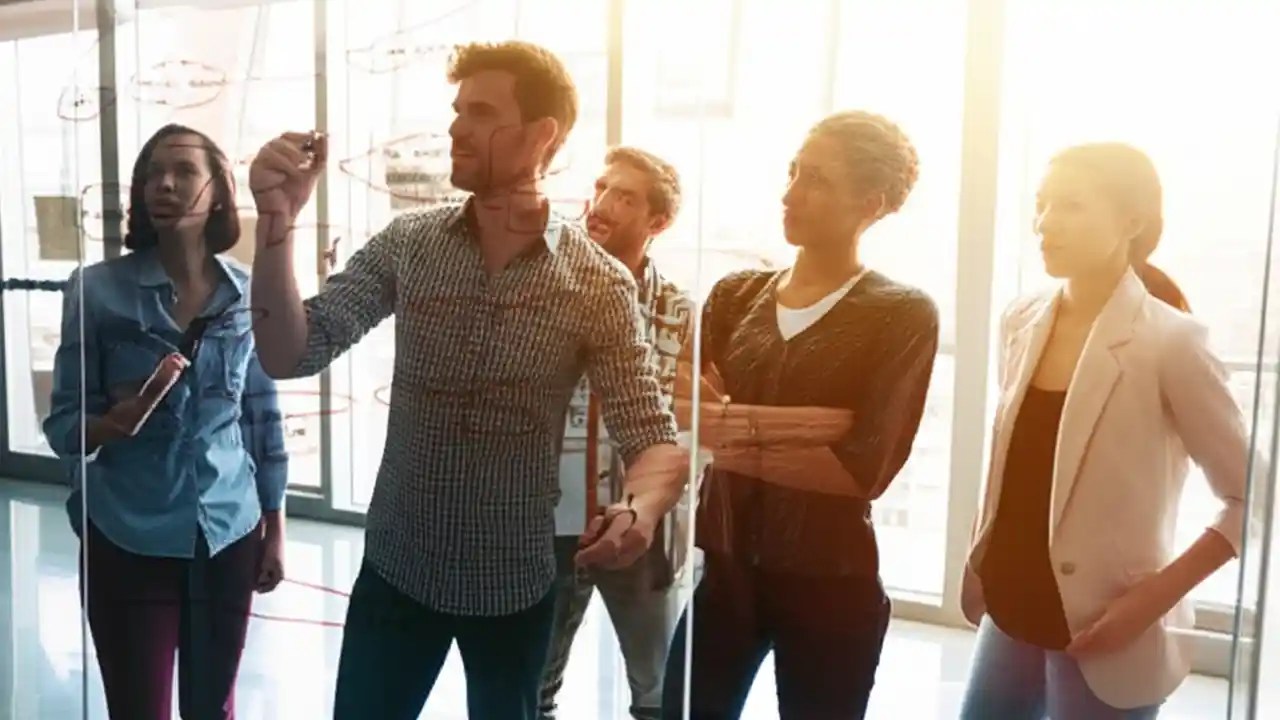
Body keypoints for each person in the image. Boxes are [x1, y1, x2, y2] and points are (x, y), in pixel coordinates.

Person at [245, 41, 687, 719]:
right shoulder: (409, 243)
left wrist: (640, 509)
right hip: (400, 567)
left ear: (543, 135)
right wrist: (277, 223)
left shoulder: (597, 282)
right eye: (457, 111)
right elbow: (288, 352)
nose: (456, 127)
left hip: (513, 582)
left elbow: (651, 435)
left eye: (481, 112)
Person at [662, 110, 940, 719]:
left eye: (816, 179)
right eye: (793, 171)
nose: (790, 193)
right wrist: (813, 426)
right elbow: (682, 410)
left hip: (831, 589)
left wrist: (732, 426)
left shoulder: (900, 312)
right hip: (725, 580)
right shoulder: (736, 294)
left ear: (870, 203)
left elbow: (861, 471)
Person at [958, 143, 1249, 719]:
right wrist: (977, 558)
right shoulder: (1020, 319)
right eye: (1041, 204)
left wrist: (1148, 605)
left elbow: (1252, 498)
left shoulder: (1173, 342)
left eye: (1071, 205)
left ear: (1132, 221)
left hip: (1108, 621)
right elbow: (1013, 459)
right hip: (1010, 603)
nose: (1044, 223)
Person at [43, 123, 288, 720]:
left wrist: (274, 528)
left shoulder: (246, 293)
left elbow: (261, 416)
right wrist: (112, 424)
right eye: (153, 173)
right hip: (127, 534)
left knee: (213, 706)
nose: (165, 184)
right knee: (138, 709)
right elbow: (62, 427)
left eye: (183, 171)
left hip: (229, 530)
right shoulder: (96, 291)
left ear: (220, 191)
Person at [540, 146, 693, 720]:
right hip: (550, 522)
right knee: (533, 690)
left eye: (624, 197)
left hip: (641, 527)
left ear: (658, 222)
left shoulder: (680, 311)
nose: (600, 205)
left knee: (659, 696)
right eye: (601, 187)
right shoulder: (547, 290)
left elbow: (706, 410)